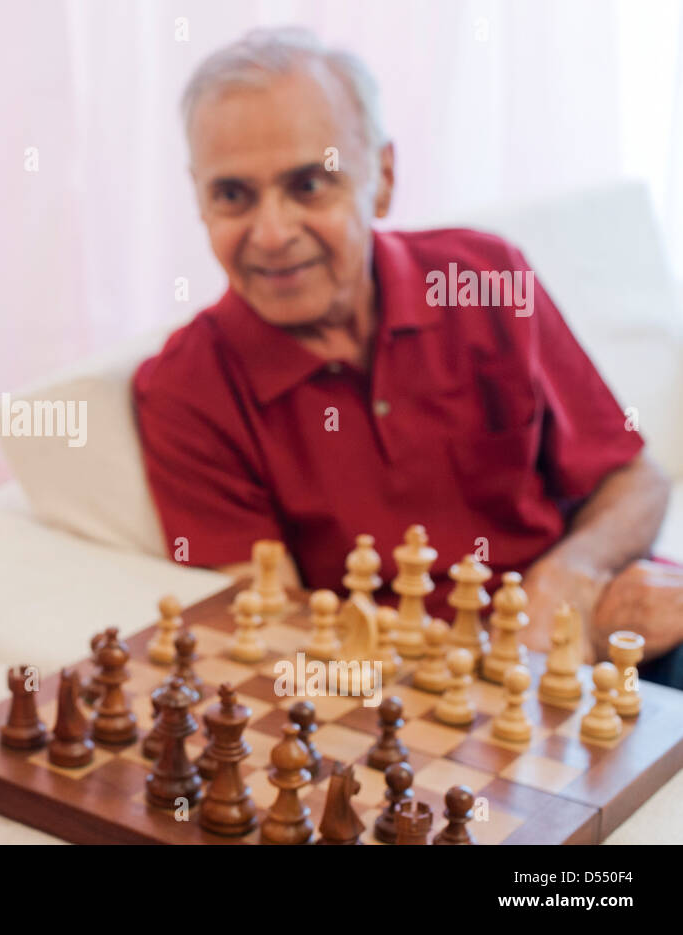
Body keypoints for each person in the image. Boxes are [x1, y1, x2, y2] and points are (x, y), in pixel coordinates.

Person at [132, 28, 683, 685]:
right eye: (233, 195)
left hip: (593, 632)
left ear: (383, 178)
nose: (272, 234)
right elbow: (273, 632)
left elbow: (634, 478)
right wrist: (508, 649)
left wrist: (574, 573)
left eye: (309, 184)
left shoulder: (484, 273)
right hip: (406, 694)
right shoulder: (184, 389)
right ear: (198, 198)